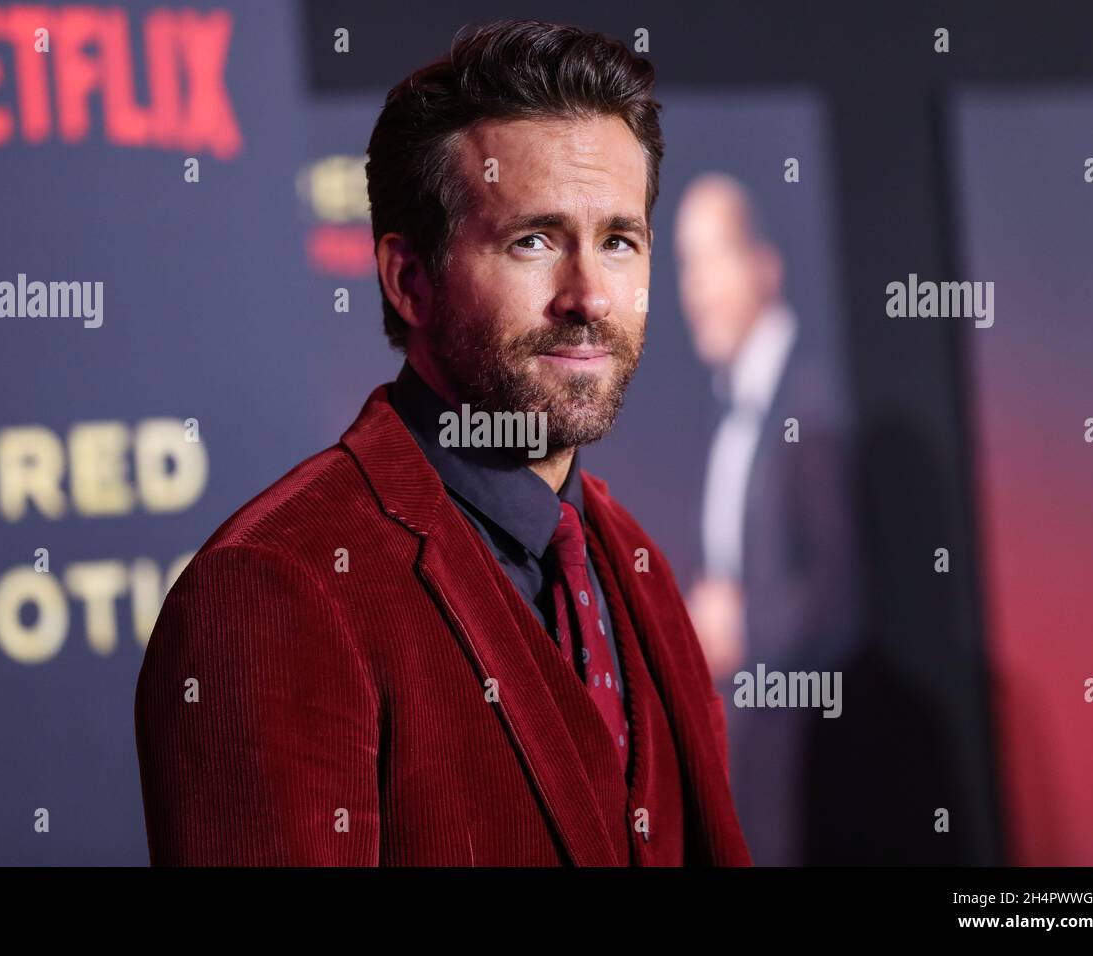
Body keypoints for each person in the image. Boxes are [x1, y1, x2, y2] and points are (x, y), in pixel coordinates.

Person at [135, 19, 750, 867]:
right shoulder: (275, 589)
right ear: (409, 279)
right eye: (532, 240)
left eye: (618, 241)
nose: (590, 296)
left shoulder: (637, 564)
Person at [676, 174, 860, 864]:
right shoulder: (740, 409)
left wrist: (742, 626)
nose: (692, 290)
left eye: (711, 259)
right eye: (684, 265)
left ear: (765, 265)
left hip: (817, 779)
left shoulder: (810, 406)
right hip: (765, 772)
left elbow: (844, 590)